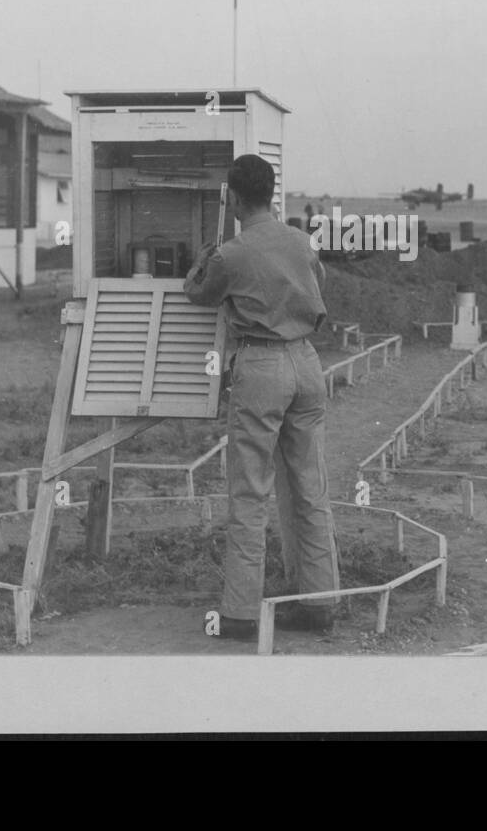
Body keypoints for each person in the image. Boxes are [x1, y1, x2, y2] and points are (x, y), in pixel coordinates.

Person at [184, 155, 340, 640]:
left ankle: (241, 613)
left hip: (262, 366)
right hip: (307, 363)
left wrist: (198, 267)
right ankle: (319, 602)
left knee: (250, 491)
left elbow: (201, 294)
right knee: (309, 486)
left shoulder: (230, 254)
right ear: (272, 194)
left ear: (232, 198)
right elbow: (320, 285)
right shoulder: (301, 241)